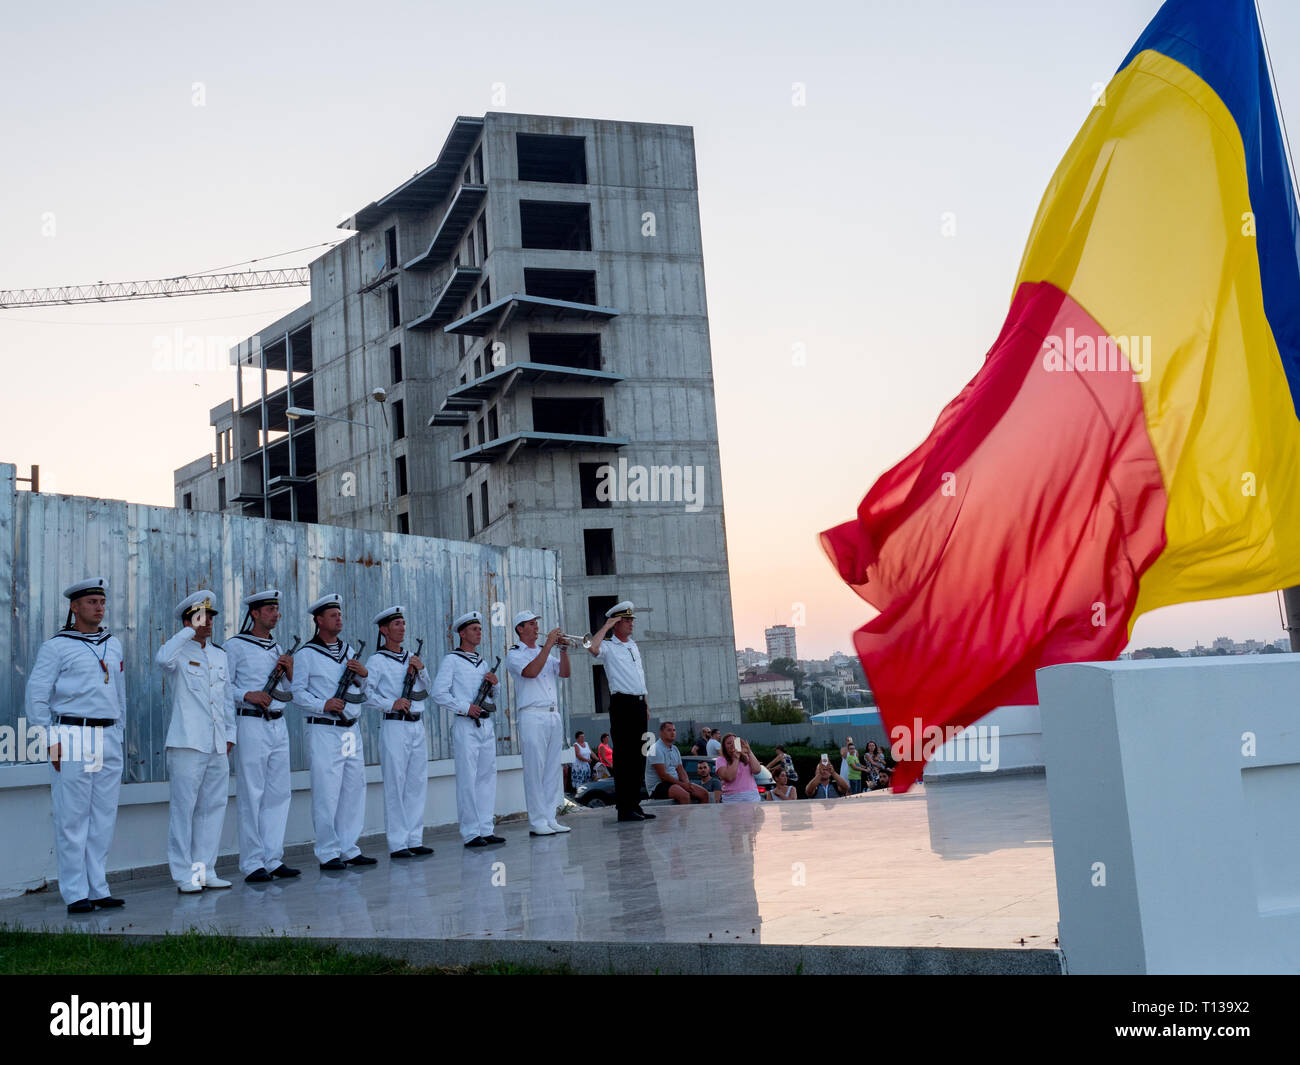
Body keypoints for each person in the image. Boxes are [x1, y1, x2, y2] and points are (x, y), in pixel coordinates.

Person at [25, 578, 127, 914]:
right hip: (73, 734)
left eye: (102, 601)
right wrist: (49, 742)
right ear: (74, 607)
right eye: (92, 602)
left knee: (103, 817)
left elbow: (120, 695)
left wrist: (120, 733)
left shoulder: (113, 645)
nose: (99, 607)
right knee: (72, 818)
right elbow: (36, 696)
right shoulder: (57, 647)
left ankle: (98, 887)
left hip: (108, 736)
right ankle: (74, 892)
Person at [157, 590, 237, 893]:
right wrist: (187, 632)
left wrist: (230, 735)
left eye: (210, 617)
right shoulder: (178, 652)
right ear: (187, 621)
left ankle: (205, 869)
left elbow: (227, 698)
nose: (207, 623)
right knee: (184, 809)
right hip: (187, 742)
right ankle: (182, 874)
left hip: (217, 744)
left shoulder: (219, 655)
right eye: (200, 617)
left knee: (213, 807)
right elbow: (162, 658)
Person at [292, 593, 375, 870]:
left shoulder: (350, 651)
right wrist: (322, 704)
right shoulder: (306, 654)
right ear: (319, 620)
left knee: (353, 789)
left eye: (339, 614)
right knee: (327, 792)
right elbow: (296, 693)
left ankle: (349, 847)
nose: (339, 618)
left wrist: (364, 673)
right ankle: (328, 851)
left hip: (351, 730)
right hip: (324, 730)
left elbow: (368, 691)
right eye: (332, 615)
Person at [225, 588, 300, 883]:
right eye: (269, 609)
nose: (275, 614)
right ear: (254, 613)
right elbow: (222, 688)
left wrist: (291, 672)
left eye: (276, 609)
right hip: (252, 722)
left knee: (279, 793)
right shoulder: (235, 647)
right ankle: (253, 861)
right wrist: (248, 694)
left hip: (278, 724)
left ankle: (273, 857)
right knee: (252, 793)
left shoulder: (278, 648)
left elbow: (292, 693)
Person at [364, 605, 434, 859]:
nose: (402, 628)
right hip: (394, 724)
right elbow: (365, 694)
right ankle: (397, 843)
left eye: (403, 623)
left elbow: (428, 689)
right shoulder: (377, 660)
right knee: (396, 784)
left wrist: (422, 668)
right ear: (384, 630)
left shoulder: (411, 656)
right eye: (396, 624)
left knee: (416, 783)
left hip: (416, 724)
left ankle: (414, 838)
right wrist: (390, 703)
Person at [433, 611, 504, 848]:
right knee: (468, 779)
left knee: (487, 776)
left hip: (485, 724)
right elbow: (438, 693)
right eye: (474, 629)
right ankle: (471, 832)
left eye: (480, 629)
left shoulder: (482, 662)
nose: (479, 632)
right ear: (462, 633)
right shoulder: (451, 660)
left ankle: (486, 827)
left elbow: (495, 696)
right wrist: (465, 708)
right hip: (466, 724)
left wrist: (495, 684)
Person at [586, 600, 656, 823]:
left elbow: (639, 676)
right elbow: (592, 648)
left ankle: (635, 804)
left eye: (630, 620)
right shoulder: (608, 645)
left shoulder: (633, 645)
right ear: (616, 622)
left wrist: (645, 702)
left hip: (638, 704)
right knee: (625, 758)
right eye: (625, 620)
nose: (630, 624)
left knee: (640, 757)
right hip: (622, 705)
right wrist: (606, 627)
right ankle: (624, 808)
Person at [507, 609, 572, 838]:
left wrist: (563, 650)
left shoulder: (545, 653)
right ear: (520, 629)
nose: (536, 627)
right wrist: (548, 645)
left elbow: (564, 673)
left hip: (552, 714)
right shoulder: (515, 653)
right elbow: (531, 672)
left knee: (552, 769)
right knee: (535, 769)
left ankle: (550, 817)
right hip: (532, 715)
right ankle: (537, 820)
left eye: (536, 623)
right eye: (531, 624)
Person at [645, 722, 709, 804]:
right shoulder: (655, 749)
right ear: (661, 733)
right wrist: (683, 785)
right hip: (658, 786)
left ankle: (702, 816)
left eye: (674, 730)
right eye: (669, 730)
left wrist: (687, 784)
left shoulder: (675, 749)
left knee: (704, 794)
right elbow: (663, 776)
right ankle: (685, 817)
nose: (672, 733)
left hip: (674, 783)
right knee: (684, 796)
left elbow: (681, 770)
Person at [715, 733, 762, 803]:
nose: (732, 745)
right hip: (732, 798)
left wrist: (749, 751)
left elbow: (757, 770)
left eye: (734, 742)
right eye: (729, 743)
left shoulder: (746, 757)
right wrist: (736, 758)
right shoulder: (720, 760)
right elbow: (729, 777)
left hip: (751, 796)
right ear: (724, 747)